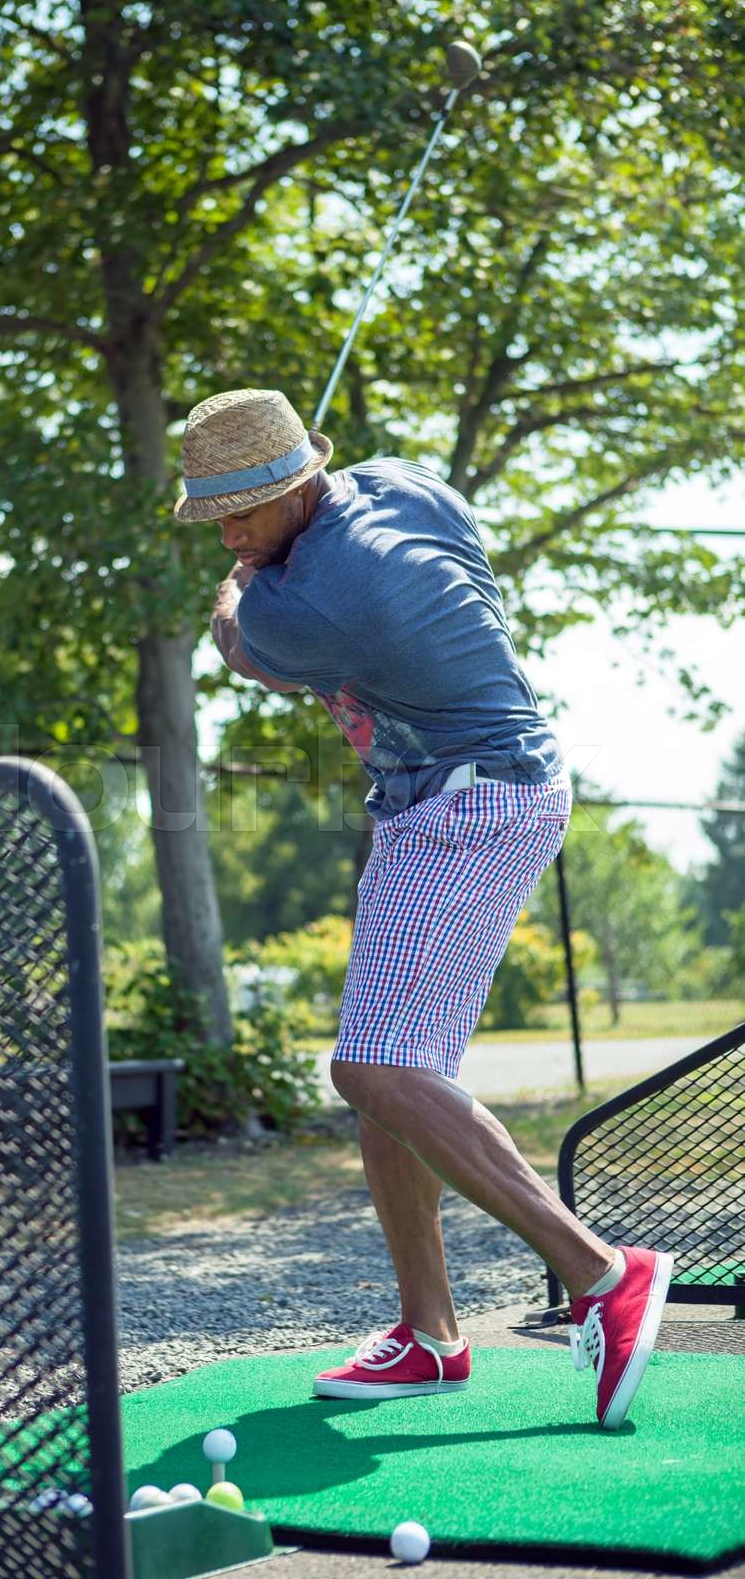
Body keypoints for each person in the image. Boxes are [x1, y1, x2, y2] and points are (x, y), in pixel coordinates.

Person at [174, 387, 672, 1430]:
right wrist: (274, 537)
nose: (227, 533)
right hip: (460, 788)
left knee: (371, 1067)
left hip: (470, 804)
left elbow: (233, 639)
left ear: (295, 482)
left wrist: (240, 582)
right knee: (387, 1068)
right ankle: (430, 1334)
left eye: (240, 511)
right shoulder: (397, 483)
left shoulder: (299, 605)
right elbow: (422, 543)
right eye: (214, 515)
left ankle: (599, 1270)